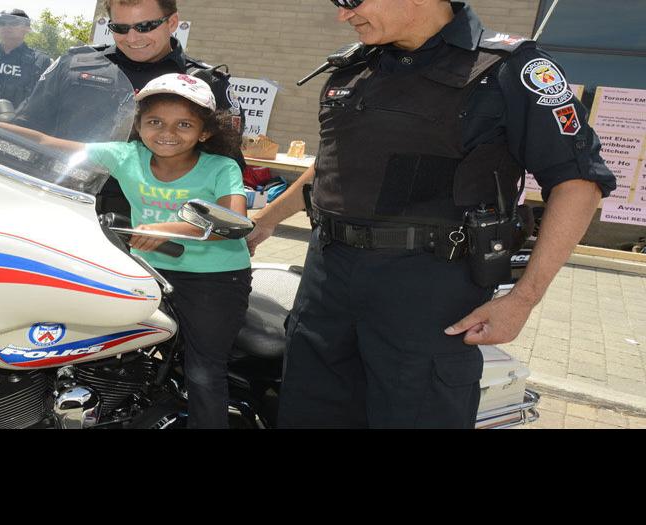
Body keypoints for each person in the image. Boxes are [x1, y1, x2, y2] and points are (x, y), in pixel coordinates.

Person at [247, 0, 616, 428]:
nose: (343, 16)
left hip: (426, 290)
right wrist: (269, 217)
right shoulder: (357, 66)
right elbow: (333, 160)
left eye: (353, 1)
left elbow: (578, 184)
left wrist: (523, 299)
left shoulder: (511, 70)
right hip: (328, 279)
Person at [0, 74, 250, 428]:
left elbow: (233, 221)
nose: (167, 132)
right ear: (139, 124)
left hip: (213, 279)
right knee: (103, 348)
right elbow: (47, 143)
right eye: (155, 121)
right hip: (146, 271)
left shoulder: (221, 167)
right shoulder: (127, 155)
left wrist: (167, 229)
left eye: (184, 124)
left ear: (204, 132)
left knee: (203, 370)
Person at [13, 0, 246, 216]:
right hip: (62, 206)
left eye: (145, 26)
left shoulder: (205, 83)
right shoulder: (76, 63)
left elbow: (226, 168)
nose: (132, 38)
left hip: (156, 225)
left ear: (172, 22)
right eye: (121, 28)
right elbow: (24, 129)